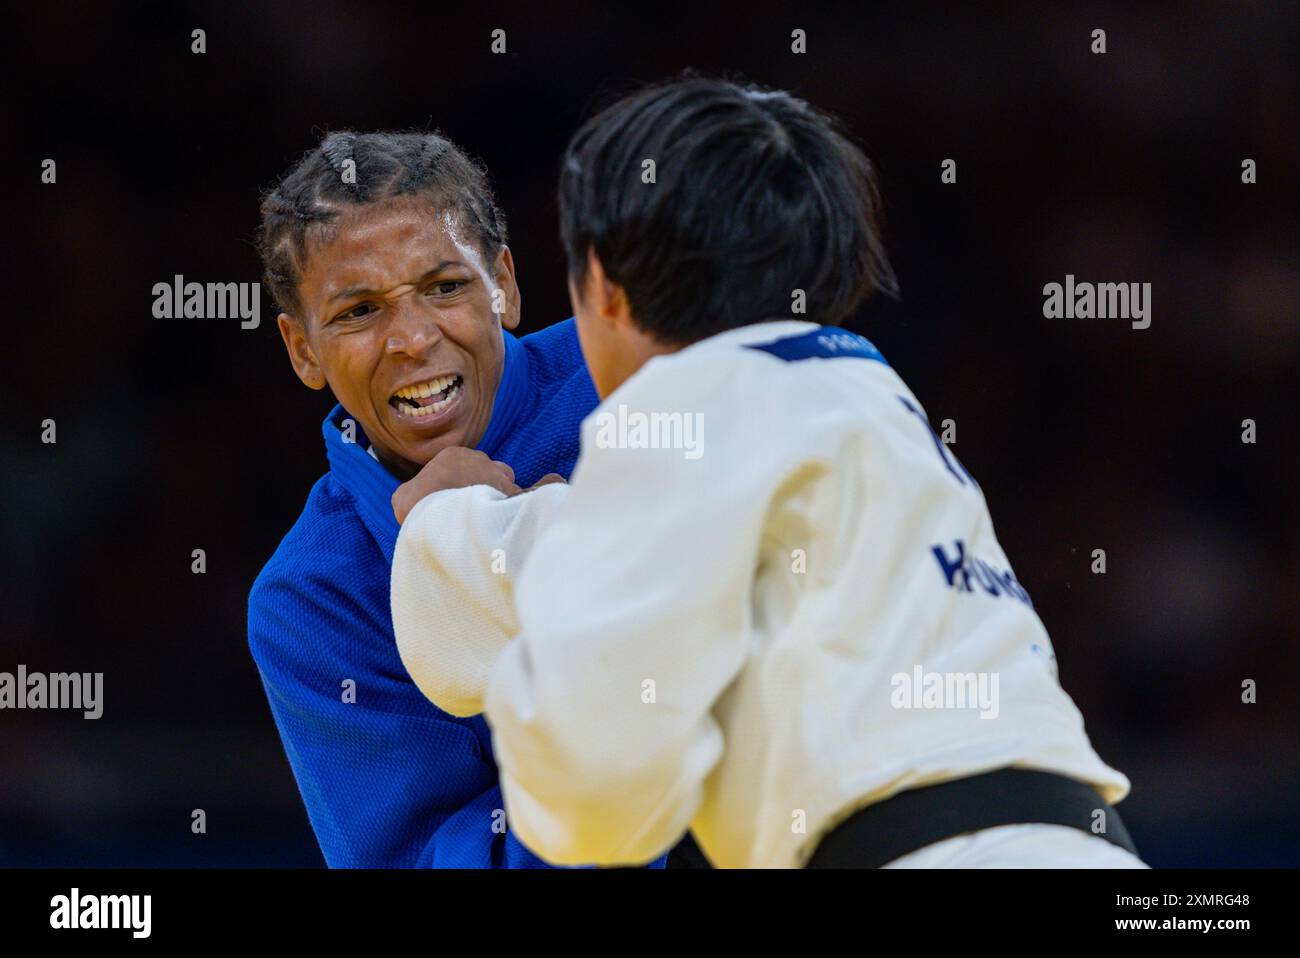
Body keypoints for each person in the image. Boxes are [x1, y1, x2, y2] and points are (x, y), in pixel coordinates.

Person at [389, 78, 1146, 868]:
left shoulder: (682, 404)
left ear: (604, 284)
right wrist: (517, 536)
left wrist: (456, 523)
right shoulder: (873, 402)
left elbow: (596, 801)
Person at [248, 130, 673, 868]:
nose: (413, 338)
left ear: (504, 284)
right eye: (358, 311)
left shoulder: (646, 372)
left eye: (445, 287)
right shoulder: (314, 598)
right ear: (302, 349)